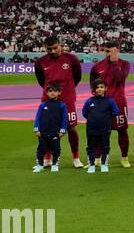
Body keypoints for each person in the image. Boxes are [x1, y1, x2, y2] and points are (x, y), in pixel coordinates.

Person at [34, 35, 83, 168]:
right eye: (49, 49)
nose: (53, 51)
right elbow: (41, 81)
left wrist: (67, 91)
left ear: (60, 45)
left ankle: (76, 157)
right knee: (47, 129)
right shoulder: (40, 62)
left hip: (67, 99)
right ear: (45, 48)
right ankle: (48, 157)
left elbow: (77, 77)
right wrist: (51, 94)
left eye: (55, 48)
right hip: (48, 101)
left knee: (71, 128)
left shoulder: (71, 59)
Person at [90, 40, 133, 167]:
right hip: (102, 104)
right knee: (101, 132)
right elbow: (93, 85)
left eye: (112, 51)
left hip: (119, 102)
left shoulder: (124, 64)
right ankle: (98, 159)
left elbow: (120, 78)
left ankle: (124, 158)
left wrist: (114, 63)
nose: (109, 54)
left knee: (122, 131)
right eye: (107, 51)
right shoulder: (97, 66)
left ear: (118, 50)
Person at [81, 80, 119, 173]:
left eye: (101, 87)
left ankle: (104, 164)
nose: (99, 89)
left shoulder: (110, 101)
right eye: (97, 87)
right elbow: (84, 113)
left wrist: (105, 118)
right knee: (91, 146)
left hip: (105, 128)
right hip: (91, 128)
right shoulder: (89, 101)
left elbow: (116, 112)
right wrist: (93, 119)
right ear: (94, 89)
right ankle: (91, 165)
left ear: (105, 88)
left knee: (105, 146)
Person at [33, 82, 68, 173]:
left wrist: (63, 130)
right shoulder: (43, 105)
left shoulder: (62, 105)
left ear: (59, 92)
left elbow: (64, 119)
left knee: (56, 149)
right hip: (43, 132)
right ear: (47, 93)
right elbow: (38, 117)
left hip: (55, 132)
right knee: (41, 149)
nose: (52, 93)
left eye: (55, 91)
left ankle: (55, 164)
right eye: (50, 91)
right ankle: (40, 165)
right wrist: (36, 129)